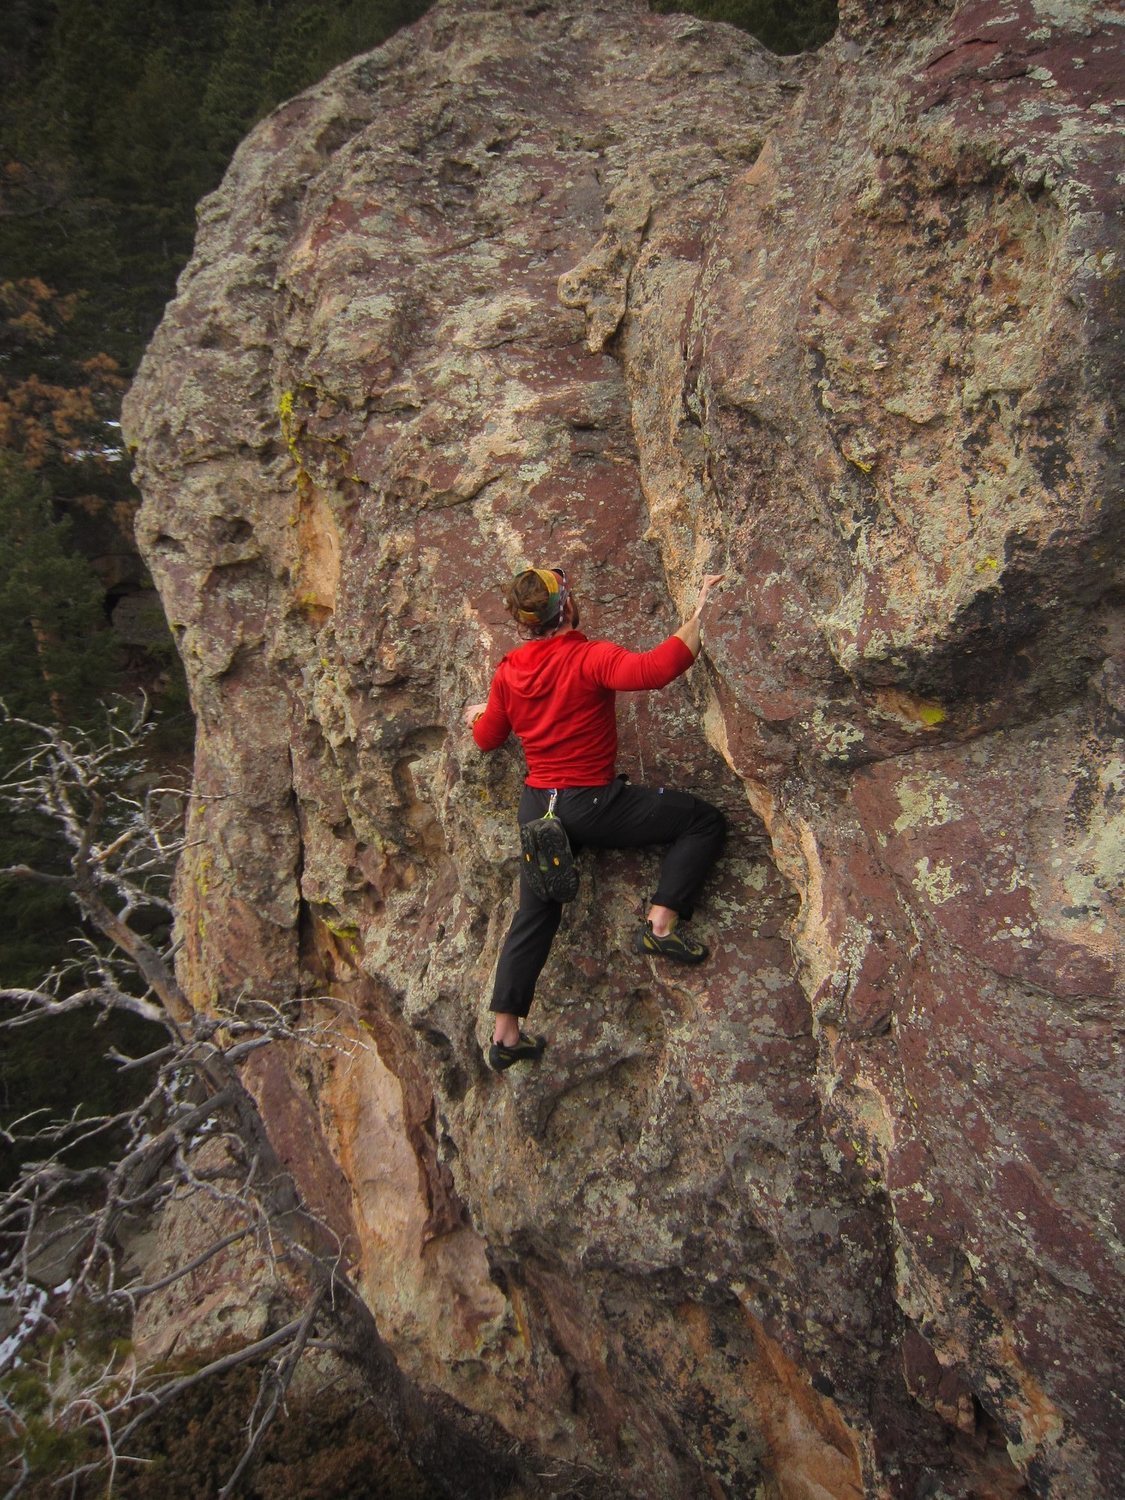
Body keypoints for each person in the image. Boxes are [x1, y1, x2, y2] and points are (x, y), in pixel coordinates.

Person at [463, 565, 727, 1072]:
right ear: (568, 608)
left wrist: (482, 713)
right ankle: (661, 925)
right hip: (593, 806)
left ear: (525, 622)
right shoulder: (589, 658)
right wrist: (701, 612)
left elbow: (487, 738)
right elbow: (654, 670)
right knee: (703, 821)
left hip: (539, 808)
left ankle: (505, 1033)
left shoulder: (509, 673)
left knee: (534, 913)